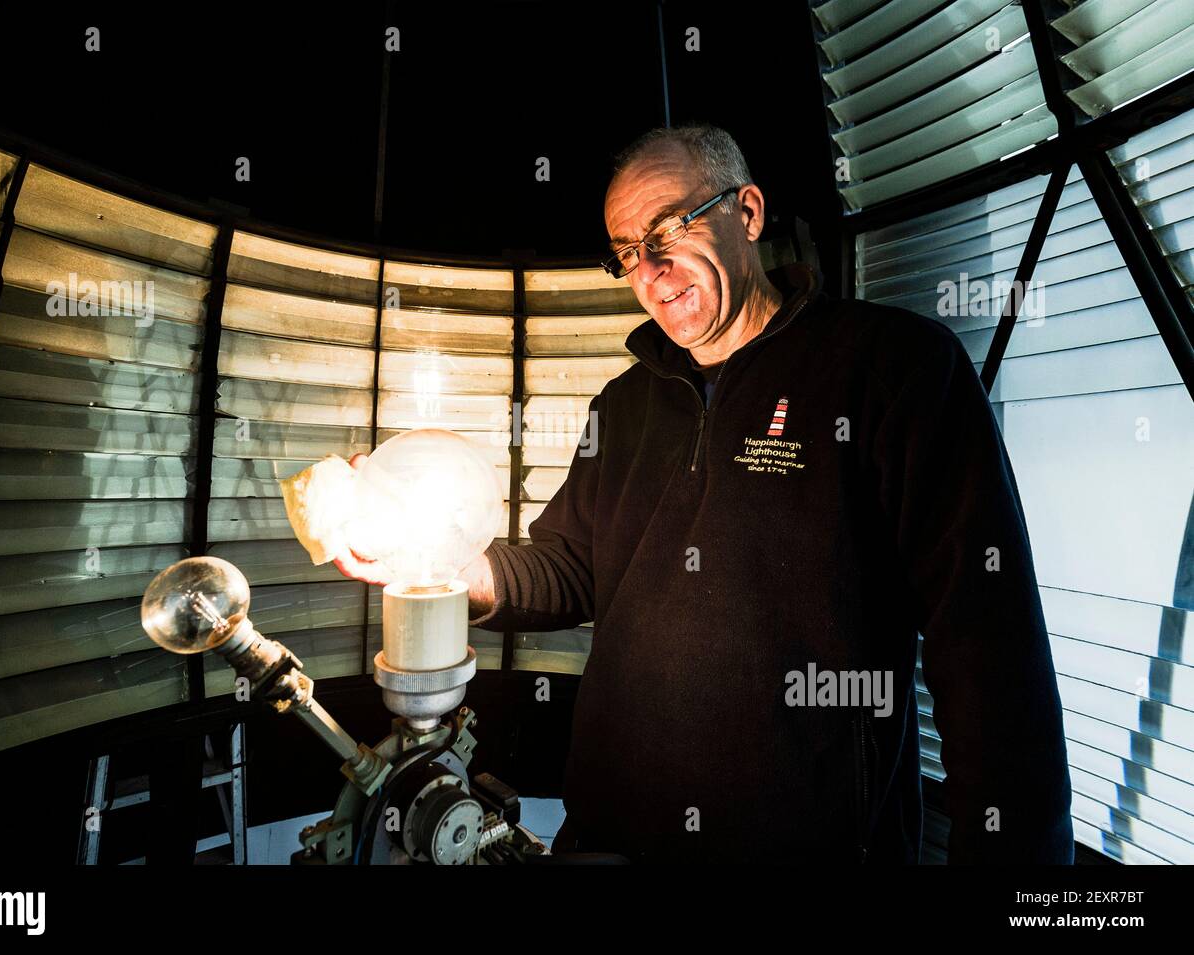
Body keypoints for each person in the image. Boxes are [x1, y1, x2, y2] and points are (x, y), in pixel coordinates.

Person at [337, 124, 1074, 864]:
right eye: (627, 251)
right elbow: (571, 569)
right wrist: (448, 562)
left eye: (670, 228)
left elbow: (988, 652)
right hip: (608, 836)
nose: (651, 269)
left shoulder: (895, 369)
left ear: (747, 212)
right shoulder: (624, 405)